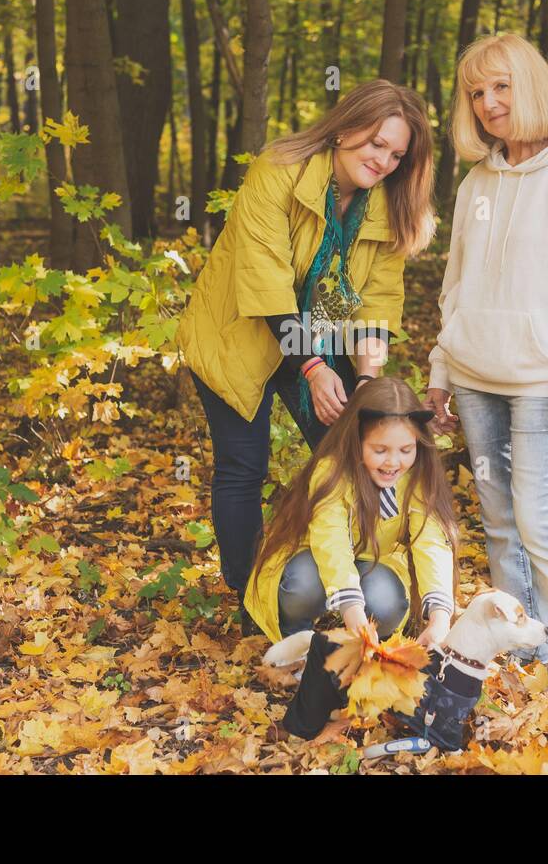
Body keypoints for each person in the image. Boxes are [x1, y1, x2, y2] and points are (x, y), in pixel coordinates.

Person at [176, 81, 435, 633]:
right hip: (238, 333)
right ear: (344, 129)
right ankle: (250, 599)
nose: (384, 161)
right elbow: (266, 284)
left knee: (351, 450)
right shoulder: (279, 169)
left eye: (396, 154)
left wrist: (366, 381)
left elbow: (380, 299)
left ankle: (360, 586)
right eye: (375, 144)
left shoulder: (387, 202)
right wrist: (314, 369)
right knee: (243, 468)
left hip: (318, 335)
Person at [424, 33, 548, 690]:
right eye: (476, 93)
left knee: (541, 520)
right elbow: (457, 284)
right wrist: (440, 370)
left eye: (500, 86)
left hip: (542, 382)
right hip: (475, 379)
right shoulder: (477, 180)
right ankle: (526, 660)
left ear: (530, 85)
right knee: (502, 525)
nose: (487, 103)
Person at [244, 377, 459, 646]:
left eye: (406, 450)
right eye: (380, 450)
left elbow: (431, 542)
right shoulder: (331, 471)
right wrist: (351, 608)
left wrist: (440, 616)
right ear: (357, 439)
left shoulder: (418, 476)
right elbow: (330, 540)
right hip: (314, 556)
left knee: (385, 603)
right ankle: (295, 642)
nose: (393, 462)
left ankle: (369, 650)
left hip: (377, 560)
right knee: (303, 585)